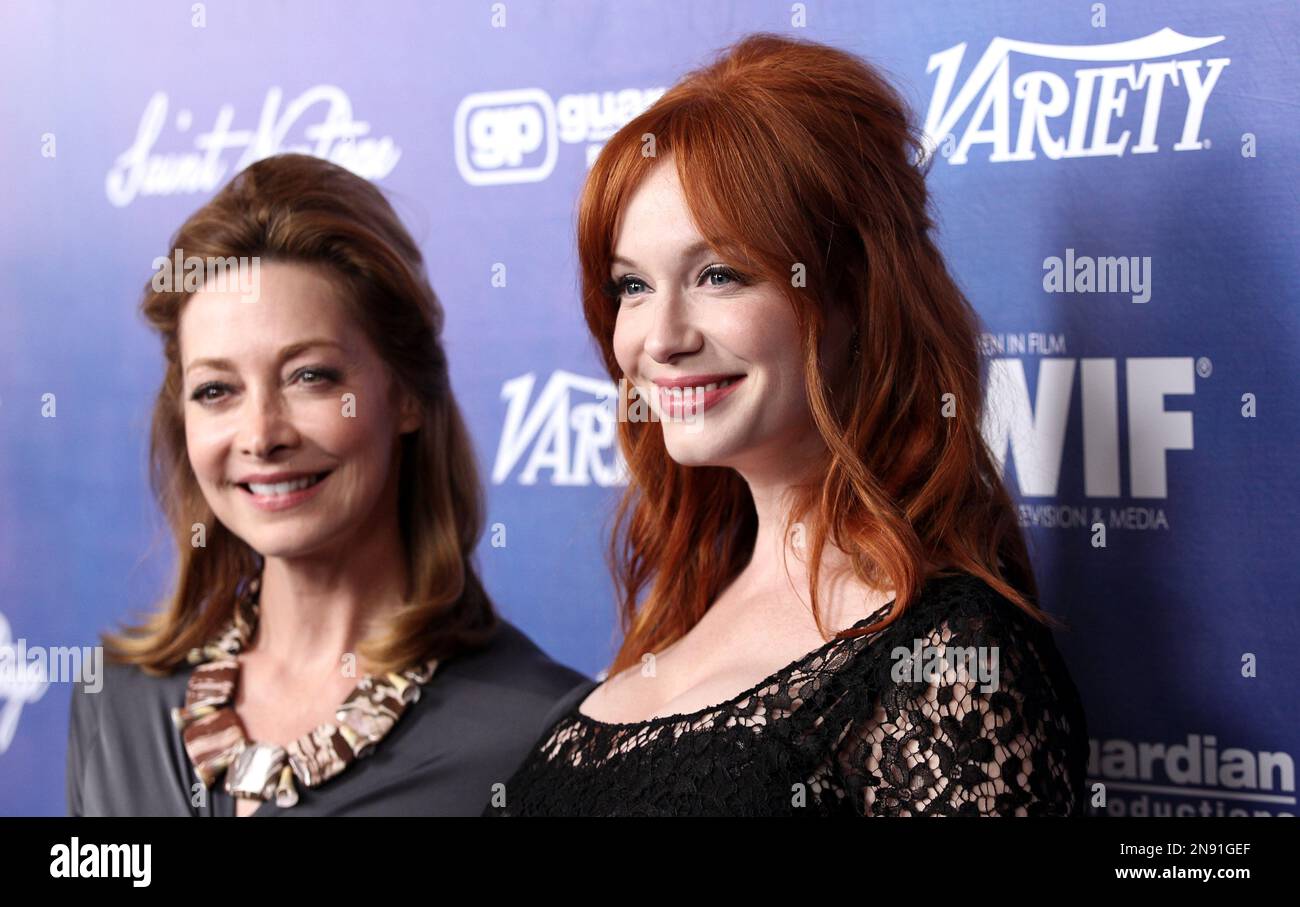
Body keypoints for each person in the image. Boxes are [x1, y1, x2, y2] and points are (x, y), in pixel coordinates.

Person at [484, 33, 1089, 816]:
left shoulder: (953, 663)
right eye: (632, 284)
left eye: (719, 275)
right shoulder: (685, 606)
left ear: (856, 297)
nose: (660, 338)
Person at [66, 153, 589, 816]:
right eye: (216, 389)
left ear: (406, 395)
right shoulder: (115, 706)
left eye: (309, 376)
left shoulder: (542, 736)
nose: (262, 434)